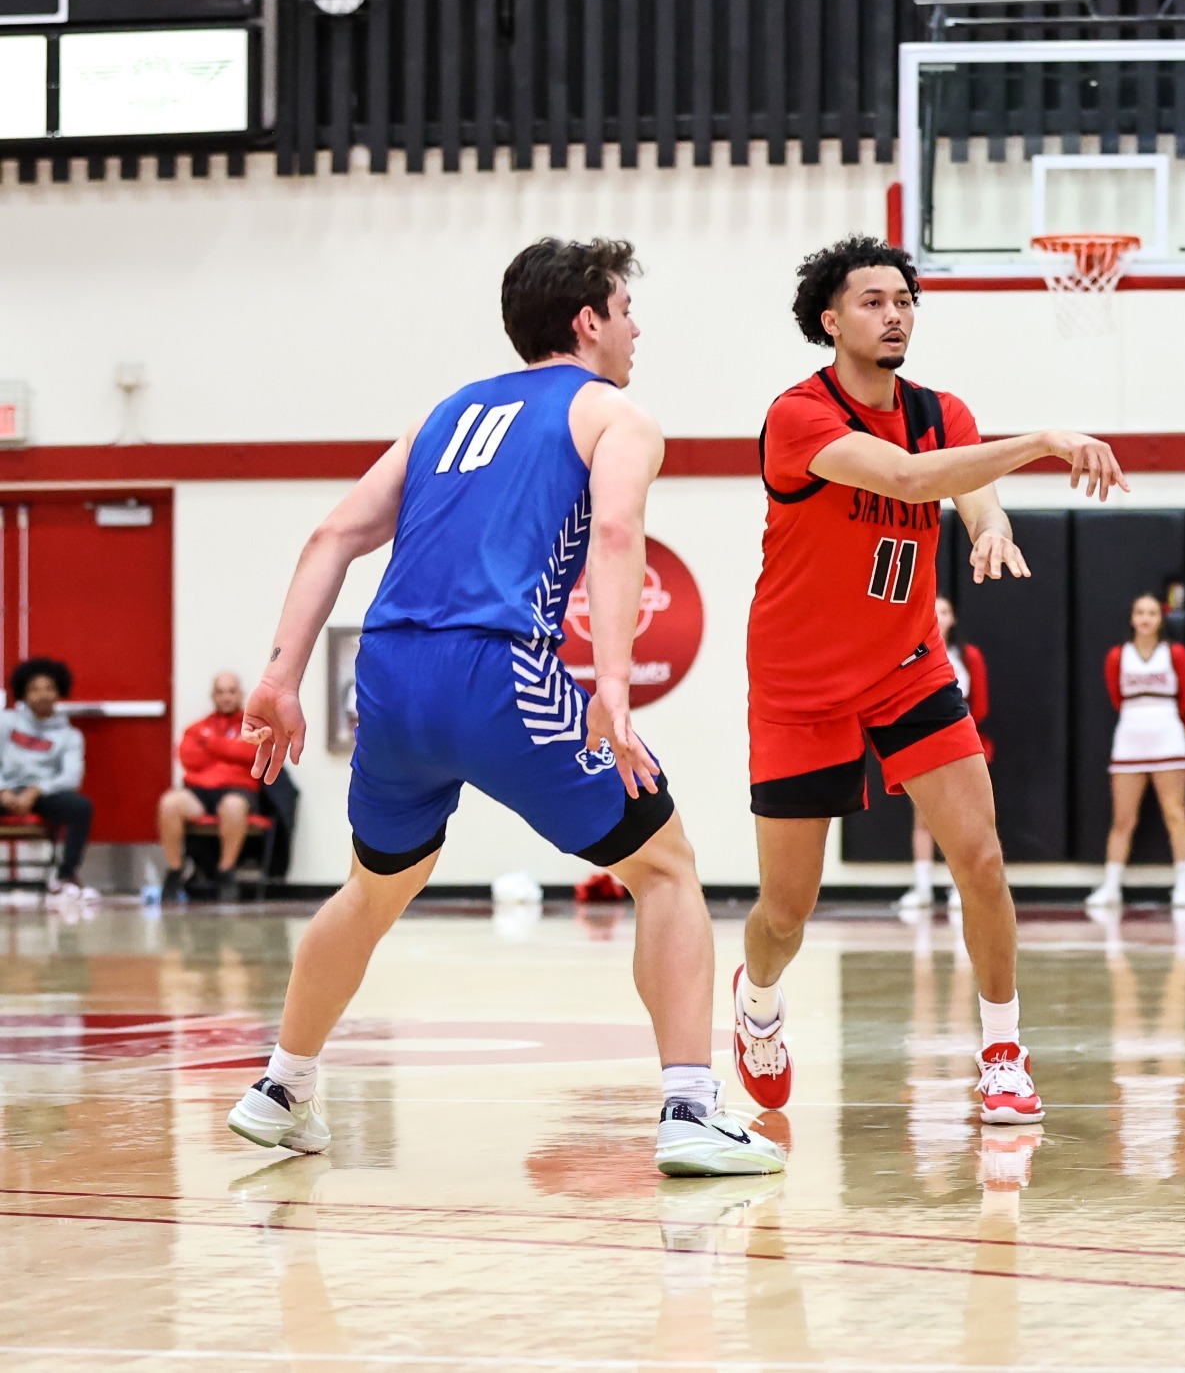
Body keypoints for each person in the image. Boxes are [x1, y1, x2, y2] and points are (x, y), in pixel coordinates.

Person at [226, 237, 781, 1178]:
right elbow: (614, 533)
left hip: (389, 673)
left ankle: (283, 1086)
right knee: (667, 866)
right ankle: (691, 1108)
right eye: (626, 308)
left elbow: (333, 534)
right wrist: (611, 686)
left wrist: (278, 676)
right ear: (587, 320)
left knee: (376, 886)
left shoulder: (445, 415)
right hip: (498, 669)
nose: (637, 328)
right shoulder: (615, 415)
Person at [734, 235, 1126, 1128]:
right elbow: (912, 480)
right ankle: (757, 1001)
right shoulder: (799, 418)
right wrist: (1042, 441)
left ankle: (1001, 1050)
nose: (896, 311)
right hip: (799, 686)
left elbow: (965, 487)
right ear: (830, 322)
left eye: (905, 298)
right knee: (786, 914)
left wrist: (990, 526)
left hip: (907, 670)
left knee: (981, 860)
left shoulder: (941, 409)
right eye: (873, 300)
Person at [1086, 593, 1185, 910]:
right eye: (1140, 612)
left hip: (1168, 736)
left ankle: (1183, 885)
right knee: (1122, 818)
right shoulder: (1117, 656)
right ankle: (1110, 887)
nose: (1146, 618)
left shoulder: (1175, 654)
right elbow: (1116, 697)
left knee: (1175, 812)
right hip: (1130, 738)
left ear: (1160, 619)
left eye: (1152, 612)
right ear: (1132, 618)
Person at [897, 594, 992, 912]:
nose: (939, 616)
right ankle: (923, 888)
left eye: (946, 611)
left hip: (959, 742)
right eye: (933, 610)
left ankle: (960, 887)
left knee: (963, 820)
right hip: (921, 742)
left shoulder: (968, 656)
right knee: (923, 818)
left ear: (953, 619)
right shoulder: (909, 653)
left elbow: (980, 704)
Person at [159, 670, 264, 903]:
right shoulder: (197, 727)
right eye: (220, 692)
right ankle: (175, 870)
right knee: (170, 803)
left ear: (240, 695)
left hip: (238, 789)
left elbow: (250, 753)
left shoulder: (253, 727)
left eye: (231, 691)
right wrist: (230, 750)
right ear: (213, 696)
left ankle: (226, 871)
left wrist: (212, 745)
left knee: (234, 807)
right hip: (200, 790)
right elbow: (189, 758)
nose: (226, 697)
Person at [0, 657, 92, 900]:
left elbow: (71, 777)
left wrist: (36, 790)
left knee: (80, 807)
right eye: (35, 689)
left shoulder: (69, 735)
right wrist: (3, 790)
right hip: (5, 788)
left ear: (59, 692)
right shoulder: (5, 722)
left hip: (42, 793)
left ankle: (66, 876)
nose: (42, 695)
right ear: (24, 693)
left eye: (49, 688)